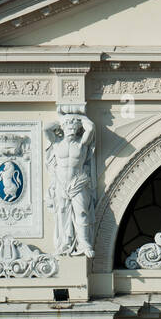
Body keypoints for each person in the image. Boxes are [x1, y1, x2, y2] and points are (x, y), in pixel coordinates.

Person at [45, 110, 96, 257]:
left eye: (74, 128)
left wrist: (79, 117)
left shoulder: (82, 144)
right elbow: (46, 129)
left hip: (77, 182)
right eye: (68, 128)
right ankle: (65, 244)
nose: (71, 131)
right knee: (62, 213)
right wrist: (64, 120)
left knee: (81, 212)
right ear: (63, 128)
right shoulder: (56, 144)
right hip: (61, 183)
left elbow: (91, 128)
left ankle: (84, 243)